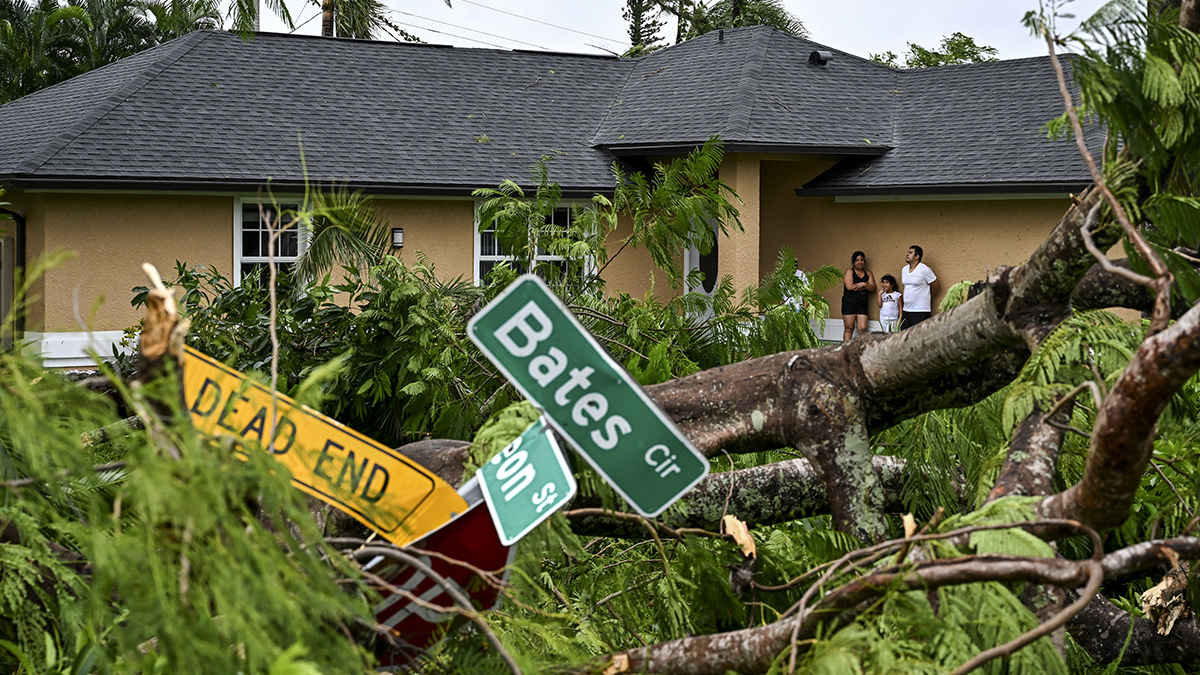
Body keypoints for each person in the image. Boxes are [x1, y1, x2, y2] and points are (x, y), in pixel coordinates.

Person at [899, 245, 938, 329]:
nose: (907, 254)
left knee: (919, 338)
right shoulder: (904, 269)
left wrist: (928, 296)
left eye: (910, 252)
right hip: (906, 310)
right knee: (905, 336)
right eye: (907, 252)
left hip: (920, 311)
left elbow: (935, 284)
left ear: (917, 256)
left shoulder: (924, 269)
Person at [841, 250, 875, 341]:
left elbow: (873, 288)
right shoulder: (849, 271)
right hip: (849, 303)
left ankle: (861, 349)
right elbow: (849, 287)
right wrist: (865, 286)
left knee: (863, 328)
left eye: (861, 260)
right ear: (853, 262)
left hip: (862, 304)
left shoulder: (868, 273)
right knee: (849, 328)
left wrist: (864, 284)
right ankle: (846, 350)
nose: (860, 262)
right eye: (857, 260)